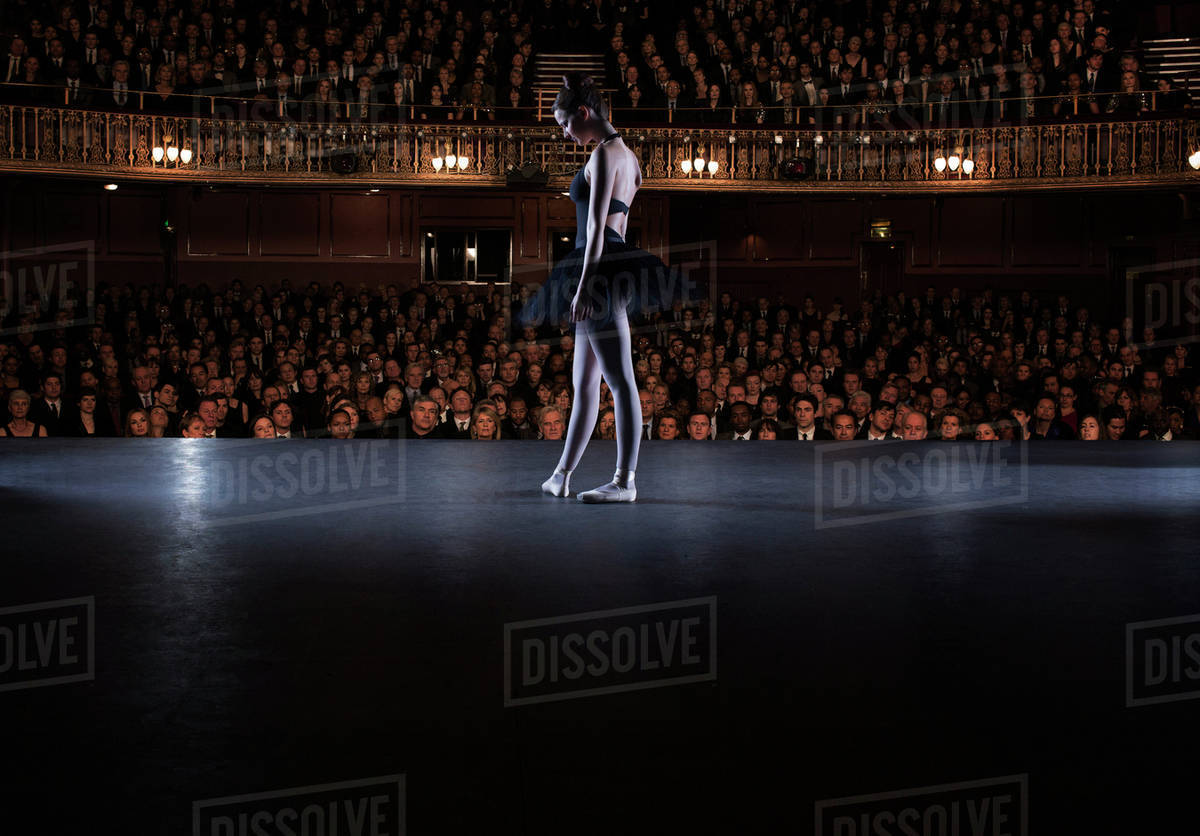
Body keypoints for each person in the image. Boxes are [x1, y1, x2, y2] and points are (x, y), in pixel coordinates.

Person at [527, 73, 676, 503]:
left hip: (598, 273)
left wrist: (585, 286)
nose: (565, 134)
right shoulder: (630, 158)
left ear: (584, 114)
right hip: (609, 267)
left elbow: (596, 228)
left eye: (565, 125)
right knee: (586, 384)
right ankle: (562, 474)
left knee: (619, 381)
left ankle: (625, 482)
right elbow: (617, 226)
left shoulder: (606, 156)